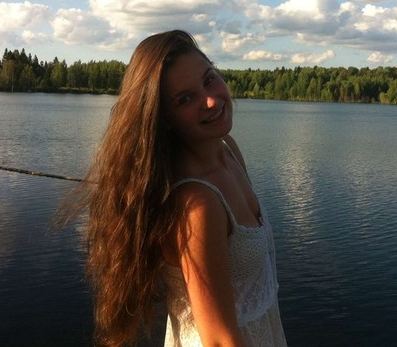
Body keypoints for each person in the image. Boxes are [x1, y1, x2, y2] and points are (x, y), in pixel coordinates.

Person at [69, 30, 287, 346]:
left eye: (209, 79)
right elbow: (218, 339)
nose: (211, 100)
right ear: (165, 117)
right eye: (185, 99)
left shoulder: (228, 150)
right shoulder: (198, 203)